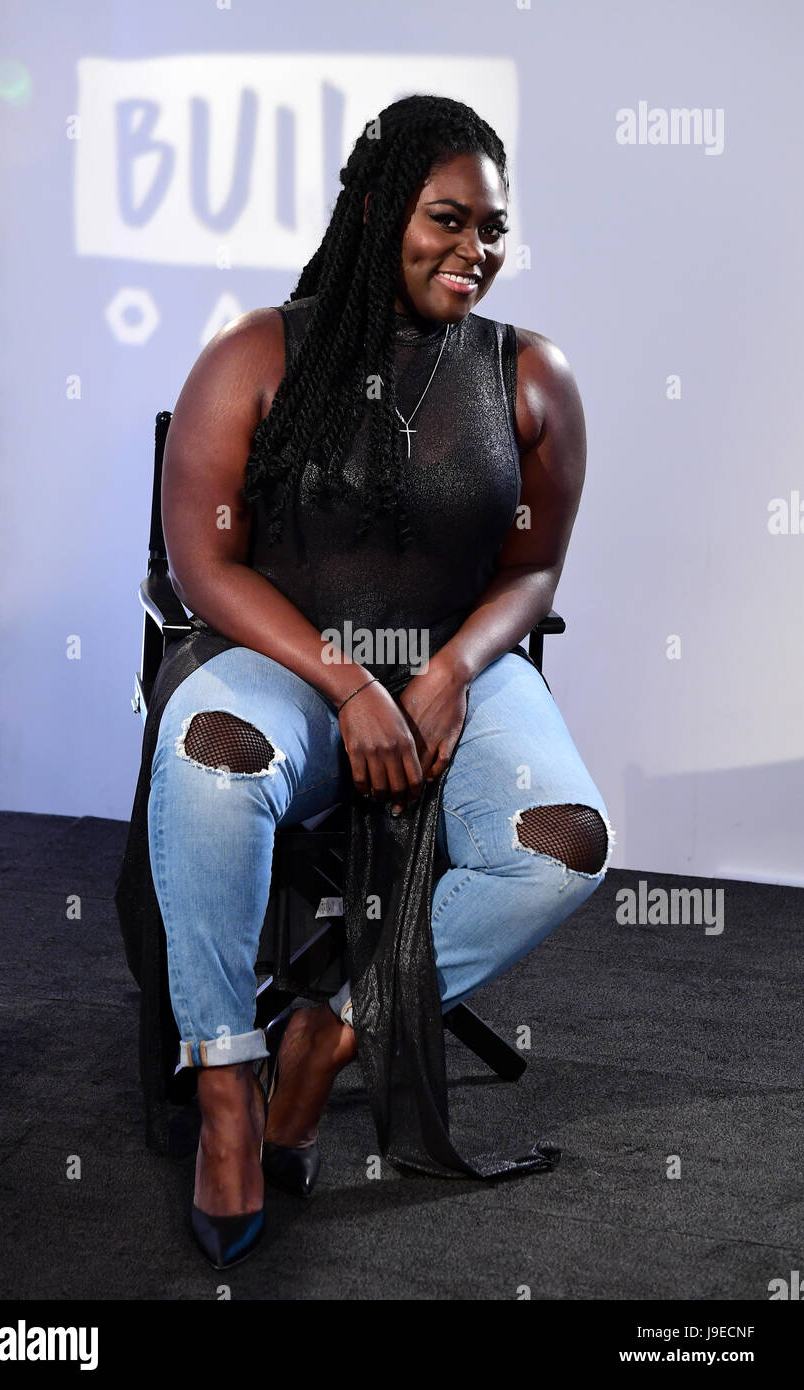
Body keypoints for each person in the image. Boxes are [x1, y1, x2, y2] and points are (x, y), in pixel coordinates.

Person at [136, 93, 615, 1268]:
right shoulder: (257, 354)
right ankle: (229, 1088)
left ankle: (331, 1036)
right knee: (207, 765)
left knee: (565, 843)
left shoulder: (531, 375)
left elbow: (531, 564)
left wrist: (450, 668)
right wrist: (350, 684)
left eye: (492, 229)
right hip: (284, 659)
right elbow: (204, 563)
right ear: (375, 208)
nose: (474, 252)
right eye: (447, 220)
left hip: (455, 660)